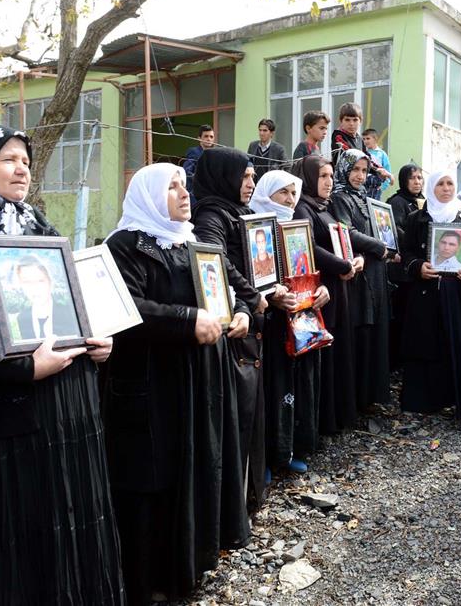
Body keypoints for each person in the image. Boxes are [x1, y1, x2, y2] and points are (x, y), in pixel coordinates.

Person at [0, 126, 123, 604]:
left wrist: (97, 339)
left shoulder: (36, 224)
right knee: (16, 540)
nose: (22, 169)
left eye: (27, 161)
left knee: (70, 527)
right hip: (0, 419)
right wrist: (24, 370)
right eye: (10, 159)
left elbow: (72, 302)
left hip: (66, 410)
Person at [103, 163, 251, 604]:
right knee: (159, 476)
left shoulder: (194, 243)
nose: (183, 194)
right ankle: (153, 579)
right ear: (148, 195)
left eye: (184, 186)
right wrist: (187, 320)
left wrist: (242, 311)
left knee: (198, 465)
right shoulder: (125, 245)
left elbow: (232, 290)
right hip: (154, 383)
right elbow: (125, 308)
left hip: (200, 379)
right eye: (171, 187)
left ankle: (194, 561)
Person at [191, 147, 269, 520]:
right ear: (224, 176)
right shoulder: (211, 214)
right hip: (234, 324)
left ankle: (250, 491)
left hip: (250, 315)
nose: (251, 183)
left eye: (253, 177)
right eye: (245, 176)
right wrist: (252, 297)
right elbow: (215, 262)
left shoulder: (240, 212)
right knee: (239, 409)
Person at [399, 170, 461, 424]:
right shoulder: (416, 217)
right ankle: (434, 401)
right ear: (432, 188)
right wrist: (418, 265)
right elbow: (406, 252)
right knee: (431, 342)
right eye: (440, 184)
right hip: (428, 292)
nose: (445, 188)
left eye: (450, 183)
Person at [249, 169, 329, 477]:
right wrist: (271, 297)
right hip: (269, 324)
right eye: (283, 193)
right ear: (266, 194)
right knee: (272, 387)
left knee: (297, 385)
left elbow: (309, 269)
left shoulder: (298, 229)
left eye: (293, 193)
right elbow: (249, 278)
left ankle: (291, 448)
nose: (290, 199)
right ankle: (267, 456)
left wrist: (321, 290)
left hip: (301, 321)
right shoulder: (253, 228)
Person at [291, 155, 363, 433]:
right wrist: (342, 264)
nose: (329, 182)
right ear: (309, 178)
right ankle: (323, 422)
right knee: (326, 352)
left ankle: (339, 415)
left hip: (340, 284)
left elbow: (341, 239)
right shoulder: (302, 208)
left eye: (331, 176)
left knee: (341, 347)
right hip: (322, 287)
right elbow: (306, 245)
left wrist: (356, 259)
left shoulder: (327, 206)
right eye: (322, 176)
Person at [330, 150, 393, 411]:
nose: (359, 175)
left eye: (364, 171)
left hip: (376, 272)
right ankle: (357, 399)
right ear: (344, 169)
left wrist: (391, 241)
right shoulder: (340, 198)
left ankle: (371, 396)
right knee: (362, 333)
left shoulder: (364, 197)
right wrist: (379, 245)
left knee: (376, 331)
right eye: (355, 169)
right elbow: (347, 231)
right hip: (360, 274)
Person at [386, 163, 424, 368]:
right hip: (402, 270)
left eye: (419, 178)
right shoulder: (397, 202)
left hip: (419, 268)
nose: (417, 182)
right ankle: (396, 361)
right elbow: (397, 231)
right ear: (403, 180)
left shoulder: (424, 202)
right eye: (412, 178)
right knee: (400, 316)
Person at [13, 255, 80, 340]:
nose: (34, 288)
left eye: (40, 280)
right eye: (26, 282)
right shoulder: (22, 318)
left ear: (50, 281)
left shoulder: (70, 313)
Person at [330, 103, 392, 186]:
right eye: (347, 120)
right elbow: (350, 157)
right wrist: (375, 170)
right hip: (341, 184)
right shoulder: (338, 136)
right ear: (341, 121)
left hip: (356, 183)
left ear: (360, 121)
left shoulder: (359, 139)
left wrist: (380, 170)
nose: (351, 124)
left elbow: (367, 158)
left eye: (355, 120)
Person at [247, 118, 288, 183]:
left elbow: (287, 168)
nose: (261, 133)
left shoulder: (279, 149)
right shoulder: (253, 146)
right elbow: (248, 164)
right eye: (260, 130)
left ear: (272, 133)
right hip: (254, 185)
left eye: (265, 130)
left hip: (270, 185)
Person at [182, 124, 216, 198]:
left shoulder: (215, 154)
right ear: (199, 138)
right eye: (206, 136)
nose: (209, 139)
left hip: (211, 194)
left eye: (211, 137)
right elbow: (187, 172)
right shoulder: (194, 152)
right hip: (196, 194)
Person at [363, 128, 393, 199]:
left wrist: (382, 187)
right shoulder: (363, 153)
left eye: (368, 138)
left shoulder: (381, 154)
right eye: (363, 139)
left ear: (375, 139)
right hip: (364, 185)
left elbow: (387, 170)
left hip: (376, 187)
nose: (365, 141)